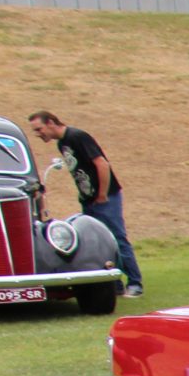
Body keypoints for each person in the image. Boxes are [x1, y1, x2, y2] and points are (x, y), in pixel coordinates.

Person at [27, 109, 141, 297]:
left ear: (51, 123)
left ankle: (135, 283)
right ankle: (114, 283)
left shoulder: (77, 136)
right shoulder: (63, 143)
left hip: (105, 198)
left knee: (116, 238)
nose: (38, 134)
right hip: (89, 199)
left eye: (39, 129)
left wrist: (103, 194)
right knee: (96, 241)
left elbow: (102, 164)